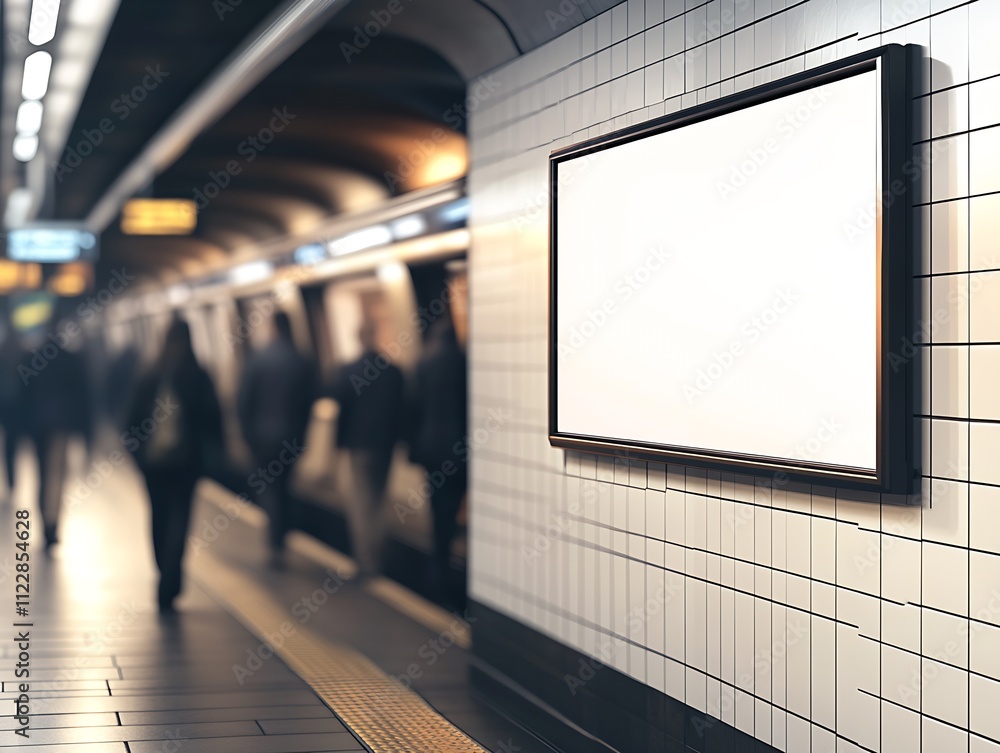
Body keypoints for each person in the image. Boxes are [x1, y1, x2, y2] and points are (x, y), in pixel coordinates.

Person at [126, 319, 223, 612]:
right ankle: (171, 575)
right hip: (186, 463)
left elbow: (130, 422)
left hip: (154, 464)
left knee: (159, 515)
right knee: (180, 518)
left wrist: (139, 457)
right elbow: (214, 420)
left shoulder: (149, 376)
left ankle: (163, 573)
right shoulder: (198, 376)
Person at [237, 311, 316, 565]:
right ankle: (280, 537)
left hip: (262, 438)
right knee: (284, 485)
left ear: (272, 327)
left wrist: (246, 435)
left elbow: (244, 401)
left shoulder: (258, 359)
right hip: (290, 437)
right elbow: (309, 403)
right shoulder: (301, 361)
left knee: (269, 488)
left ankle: (275, 540)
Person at [329, 320, 404, 577]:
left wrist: (337, 446)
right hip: (384, 446)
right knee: (379, 500)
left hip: (358, 445)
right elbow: (400, 410)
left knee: (361, 503)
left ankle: (366, 561)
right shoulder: (393, 372)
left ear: (358, 338)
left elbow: (340, 409)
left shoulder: (348, 370)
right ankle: (380, 556)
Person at [410, 318, 468, 601]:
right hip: (459, 451)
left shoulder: (424, 362)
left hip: (431, 451)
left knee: (437, 508)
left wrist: (413, 450)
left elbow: (414, 408)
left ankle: (437, 570)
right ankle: (452, 570)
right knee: (454, 506)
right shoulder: (463, 361)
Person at [22, 321, 92, 549]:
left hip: (38, 426)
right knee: (57, 474)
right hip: (61, 426)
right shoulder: (71, 361)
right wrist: (86, 433)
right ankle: (53, 522)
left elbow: (24, 394)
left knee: (43, 475)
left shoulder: (33, 359)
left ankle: (46, 521)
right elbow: (83, 397)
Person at [0, 327, 25, 498]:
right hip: (15, 409)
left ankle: (11, 482)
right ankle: (11, 482)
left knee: (10, 446)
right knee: (11, 446)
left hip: (7, 407)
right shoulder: (24, 357)